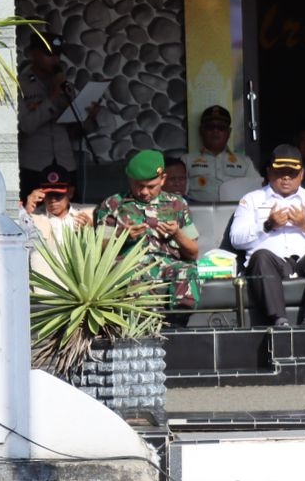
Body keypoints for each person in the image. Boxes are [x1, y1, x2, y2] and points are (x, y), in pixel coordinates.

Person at [229, 144, 305, 328]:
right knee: (261, 256)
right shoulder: (251, 200)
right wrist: (267, 226)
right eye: (280, 172)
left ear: (302, 174)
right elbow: (236, 239)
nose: (286, 177)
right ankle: (278, 321)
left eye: (292, 172)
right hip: (270, 262)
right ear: (269, 172)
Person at [94, 150, 200, 309]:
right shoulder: (113, 204)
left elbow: (193, 252)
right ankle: (141, 324)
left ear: (163, 179)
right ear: (130, 180)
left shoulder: (177, 204)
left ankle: (178, 323)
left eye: (151, 187)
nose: (144, 192)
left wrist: (177, 233)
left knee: (188, 270)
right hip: (129, 265)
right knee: (131, 275)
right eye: (138, 186)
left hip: (167, 264)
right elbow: (97, 249)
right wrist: (121, 236)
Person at [17, 34, 97, 195]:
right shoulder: (21, 85)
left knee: (70, 215)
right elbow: (26, 126)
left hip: (65, 163)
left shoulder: (65, 86)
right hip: (34, 165)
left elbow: (75, 132)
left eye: (57, 54)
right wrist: (53, 97)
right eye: (49, 54)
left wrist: (90, 116)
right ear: (33, 53)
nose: (54, 59)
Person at [20, 163, 95, 271]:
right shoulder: (33, 217)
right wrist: (26, 212)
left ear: (70, 192)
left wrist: (92, 230)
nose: (53, 200)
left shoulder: (89, 214)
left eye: (58, 195)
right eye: (49, 194)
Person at [186, 105, 259, 204]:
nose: (215, 131)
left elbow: (256, 192)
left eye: (221, 127)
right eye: (210, 127)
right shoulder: (187, 161)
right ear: (201, 130)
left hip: (236, 214)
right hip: (198, 215)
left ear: (228, 132)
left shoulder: (245, 162)